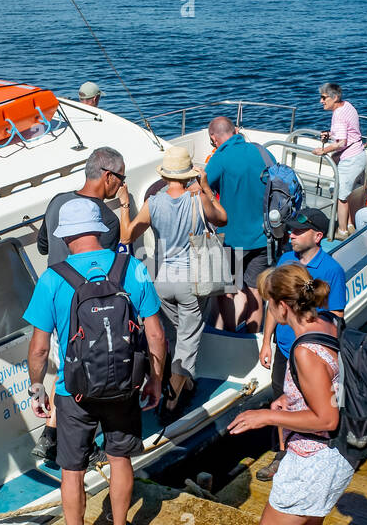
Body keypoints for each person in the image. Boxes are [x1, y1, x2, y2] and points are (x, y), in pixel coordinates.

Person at [24, 199, 167, 525]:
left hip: (75, 393)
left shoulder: (53, 278)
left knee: (71, 471)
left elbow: (39, 349)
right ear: (99, 230)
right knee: (120, 458)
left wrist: (38, 387)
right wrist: (153, 378)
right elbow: (155, 333)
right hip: (123, 386)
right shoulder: (132, 268)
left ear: (66, 236)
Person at [227, 264, 359, 525]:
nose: (268, 310)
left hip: (315, 457)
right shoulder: (330, 322)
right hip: (338, 456)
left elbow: (326, 417)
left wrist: (268, 415)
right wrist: (291, 400)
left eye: (269, 304)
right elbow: (330, 389)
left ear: (283, 306)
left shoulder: (304, 350)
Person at [34, 147, 128, 465]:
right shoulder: (109, 220)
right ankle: (77, 444)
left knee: (66, 363)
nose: (121, 186)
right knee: (88, 370)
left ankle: (49, 434)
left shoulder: (56, 201)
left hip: (54, 295)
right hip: (87, 304)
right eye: (122, 179)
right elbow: (106, 268)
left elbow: (43, 245)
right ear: (108, 176)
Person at [125, 146, 228, 418]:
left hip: (162, 280)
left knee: (174, 333)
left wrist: (125, 204)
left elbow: (127, 235)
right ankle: (170, 403)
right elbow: (222, 218)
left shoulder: (153, 203)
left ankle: (186, 383)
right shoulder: (197, 199)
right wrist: (205, 187)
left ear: (166, 175)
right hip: (192, 281)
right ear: (188, 174)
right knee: (187, 342)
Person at [255, 208, 347, 481]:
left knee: (312, 405)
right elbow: (274, 306)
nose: (291, 235)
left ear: (318, 236)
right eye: (291, 230)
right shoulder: (286, 259)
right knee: (281, 401)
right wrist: (267, 342)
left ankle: (314, 452)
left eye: (298, 231)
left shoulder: (332, 270)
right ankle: (282, 454)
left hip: (309, 356)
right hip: (285, 351)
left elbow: (337, 318)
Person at [203, 116, 270, 331]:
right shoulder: (261, 151)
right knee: (256, 294)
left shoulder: (220, 158)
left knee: (227, 293)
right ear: (235, 131)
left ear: (214, 138)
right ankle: (252, 336)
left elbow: (204, 188)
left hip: (231, 241)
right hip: (263, 237)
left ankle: (230, 338)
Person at [312, 83, 366, 240]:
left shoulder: (338, 115)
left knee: (339, 195)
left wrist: (323, 150)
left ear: (334, 98)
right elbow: (347, 131)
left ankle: (342, 231)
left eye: (323, 97)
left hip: (350, 159)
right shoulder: (347, 106)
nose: (321, 101)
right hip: (358, 155)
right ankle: (349, 224)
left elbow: (341, 142)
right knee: (343, 192)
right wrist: (329, 134)